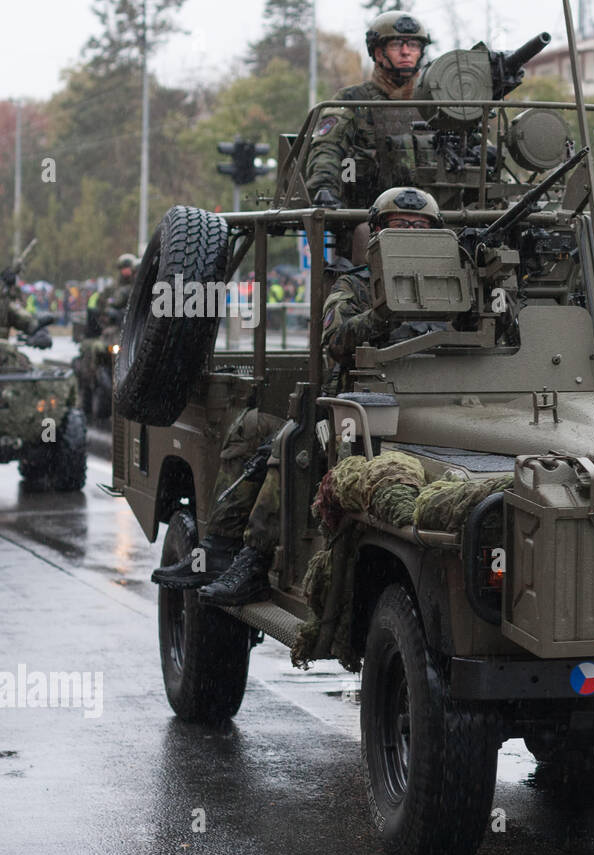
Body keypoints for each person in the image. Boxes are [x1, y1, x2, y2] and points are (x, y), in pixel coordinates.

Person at [152, 187, 444, 605]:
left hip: (431, 408)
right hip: (351, 411)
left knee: (289, 445)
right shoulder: (356, 286)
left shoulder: (458, 289)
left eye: (420, 227)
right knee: (263, 432)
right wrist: (383, 313)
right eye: (400, 226)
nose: (411, 234)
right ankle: (228, 552)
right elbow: (337, 340)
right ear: (379, 233)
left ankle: (248, 556)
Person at [304, 11, 430, 214]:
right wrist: (324, 188)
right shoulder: (352, 100)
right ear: (379, 53)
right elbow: (327, 148)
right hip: (368, 216)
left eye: (413, 45)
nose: (406, 52)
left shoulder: (435, 104)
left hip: (433, 216)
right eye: (397, 44)